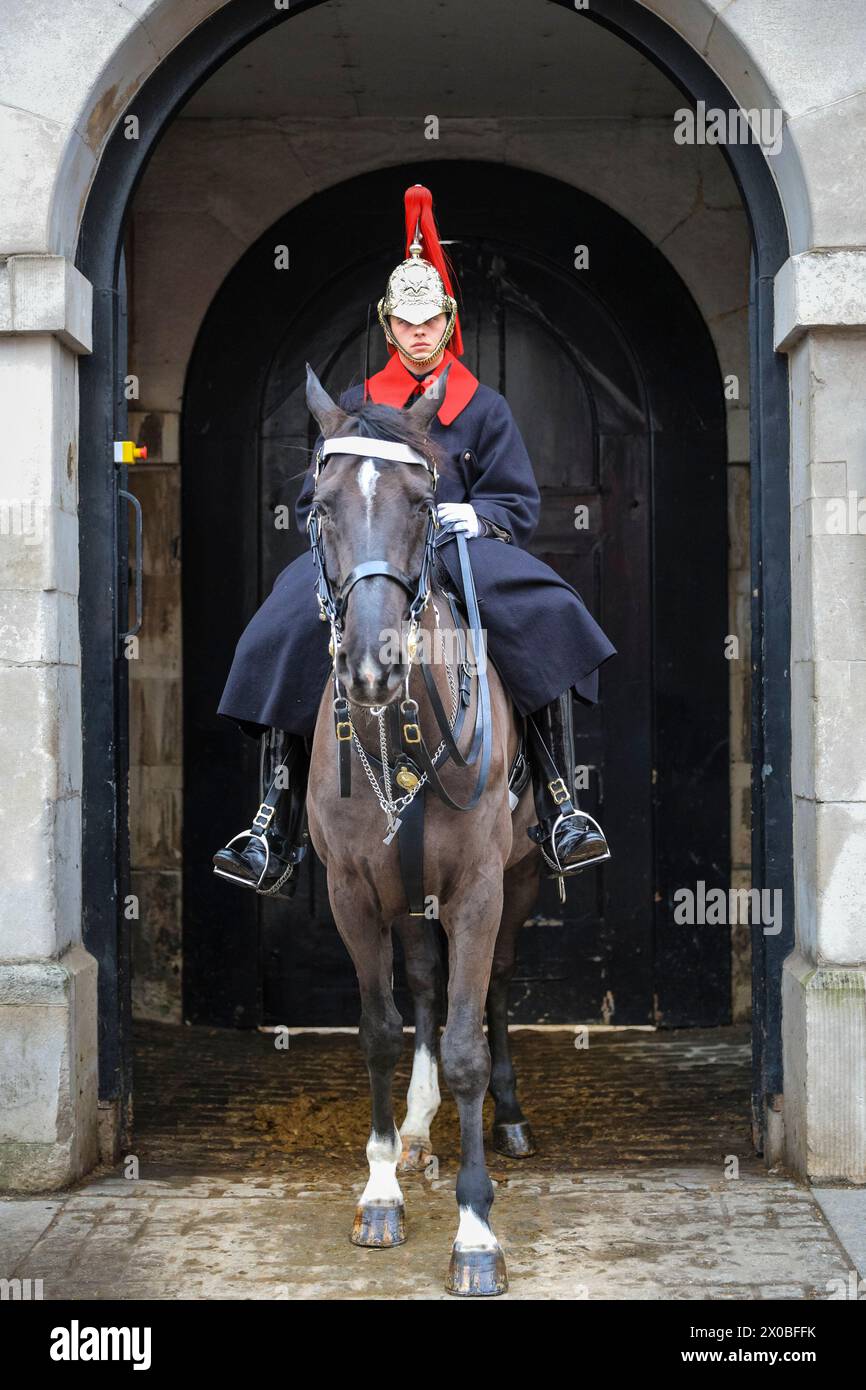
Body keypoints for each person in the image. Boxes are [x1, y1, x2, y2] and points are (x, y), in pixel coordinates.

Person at [213, 184, 617, 900]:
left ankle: (558, 802)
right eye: (407, 322)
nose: (421, 333)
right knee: (284, 617)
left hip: (458, 547)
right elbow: (325, 492)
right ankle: (272, 816)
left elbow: (515, 499)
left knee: (545, 610)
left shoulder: (483, 407)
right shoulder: (358, 405)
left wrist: (472, 516)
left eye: (432, 321)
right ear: (389, 325)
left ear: (448, 320)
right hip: (375, 549)